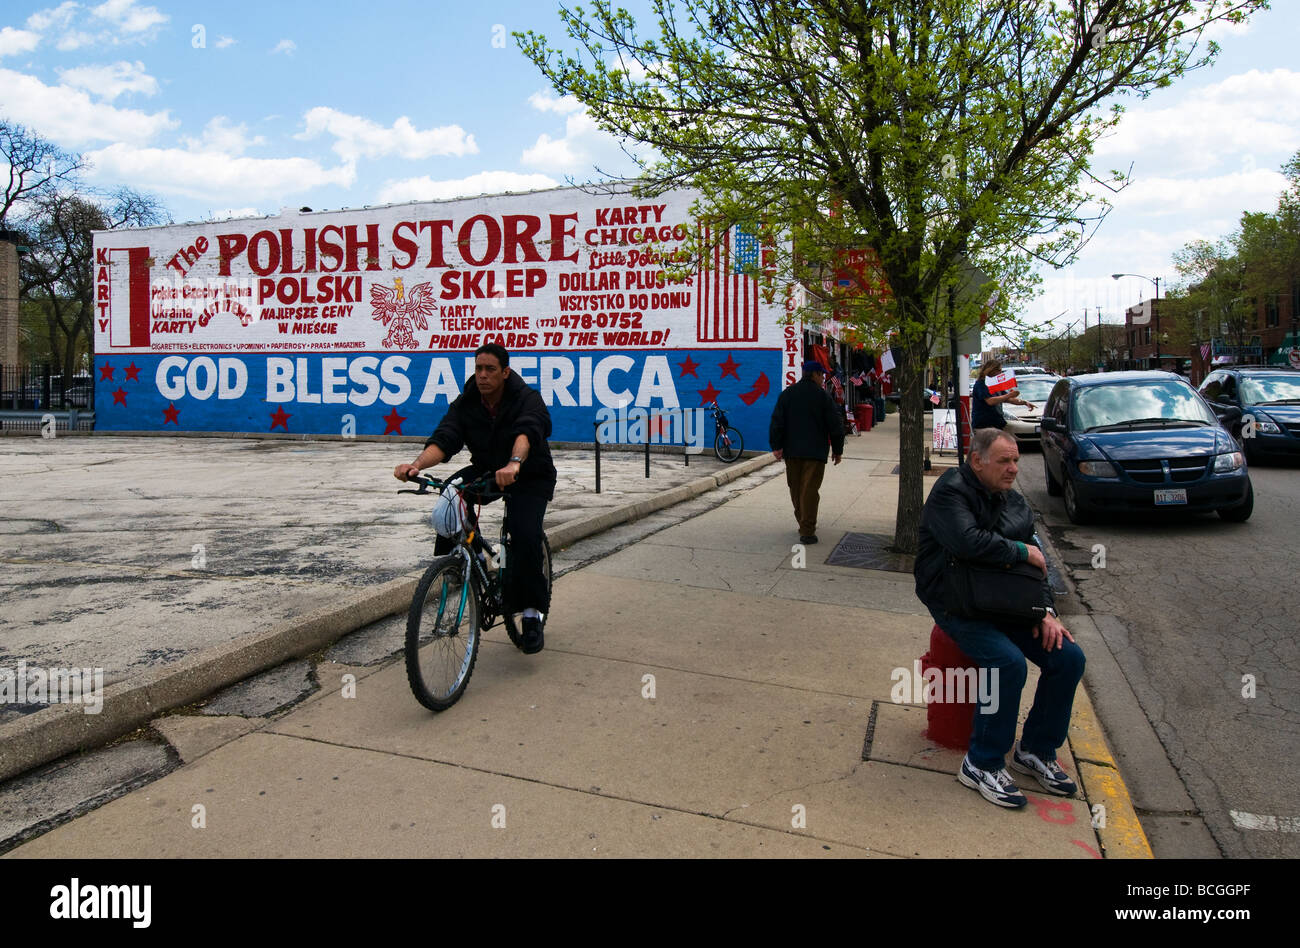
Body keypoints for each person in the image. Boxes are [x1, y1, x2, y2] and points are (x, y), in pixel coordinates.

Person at [913, 427, 1085, 809]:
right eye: (1004, 461)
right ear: (977, 461)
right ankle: (982, 762)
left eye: (1016, 461)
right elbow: (967, 541)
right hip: (955, 600)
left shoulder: (1013, 501)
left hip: (1005, 600)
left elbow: (1039, 565)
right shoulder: (951, 492)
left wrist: (1046, 612)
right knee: (1007, 664)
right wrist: (1021, 552)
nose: (1012, 469)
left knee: (1068, 657)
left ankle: (1036, 749)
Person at [394, 343, 556, 654]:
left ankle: (532, 614)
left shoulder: (526, 398)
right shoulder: (467, 402)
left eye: (490, 369)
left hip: (529, 474)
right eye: (478, 369)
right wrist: (416, 465)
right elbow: (446, 437)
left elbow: (528, 431)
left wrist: (514, 463)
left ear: (505, 372)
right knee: (447, 503)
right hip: (487, 470)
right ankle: (469, 560)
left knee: (524, 536)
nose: (482, 375)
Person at [769, 360, 844, 544]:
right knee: (809, 490)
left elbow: (777, 422)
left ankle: (803, 522)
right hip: (815, 452)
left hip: (792, 452)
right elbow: (835, 425)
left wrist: (776, 446)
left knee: (796, 489)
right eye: (822, 375)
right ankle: (807, 530)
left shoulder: (788, 394)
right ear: (816, 375)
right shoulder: (823, 396)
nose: (823, 379)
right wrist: (837, 449)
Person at [970, 360, 1029, 430]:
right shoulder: (981, 384)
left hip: (996, 423)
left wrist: (1024, 402)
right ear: (991, 370)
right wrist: (1009, 395)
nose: (1000, 373)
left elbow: (1008, 400)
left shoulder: (996, 384)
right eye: (998, 370)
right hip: (984, 424)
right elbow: (990, 401)